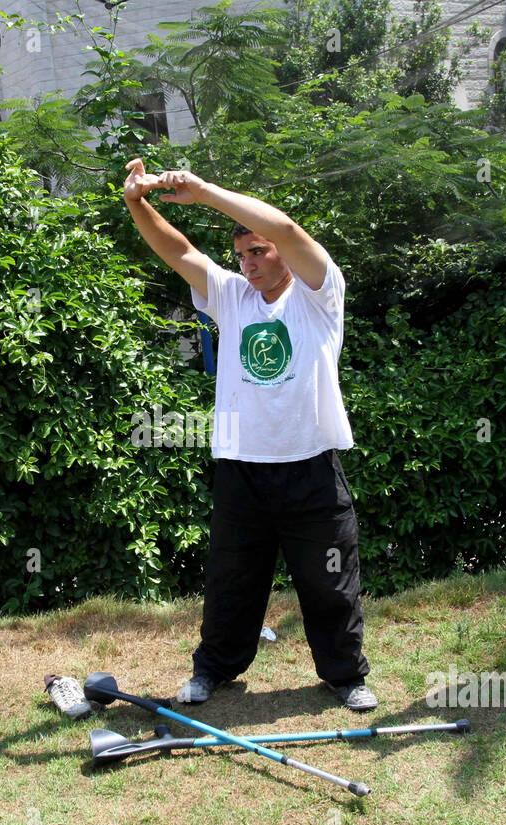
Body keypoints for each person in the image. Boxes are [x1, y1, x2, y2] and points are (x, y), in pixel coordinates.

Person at [122, 158, 375, 709]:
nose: (250, 263)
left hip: (311, 466)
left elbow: (286, 228)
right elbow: (179, 252)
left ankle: (346, 675)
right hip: (243, 467)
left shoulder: (318, 293)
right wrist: (135, 202)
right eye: (242, 255)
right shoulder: (232, 296)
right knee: (231, 582)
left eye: (258, 251)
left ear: (281, 252)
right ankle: (214, 670)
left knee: (330, 582)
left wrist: (204, 192)